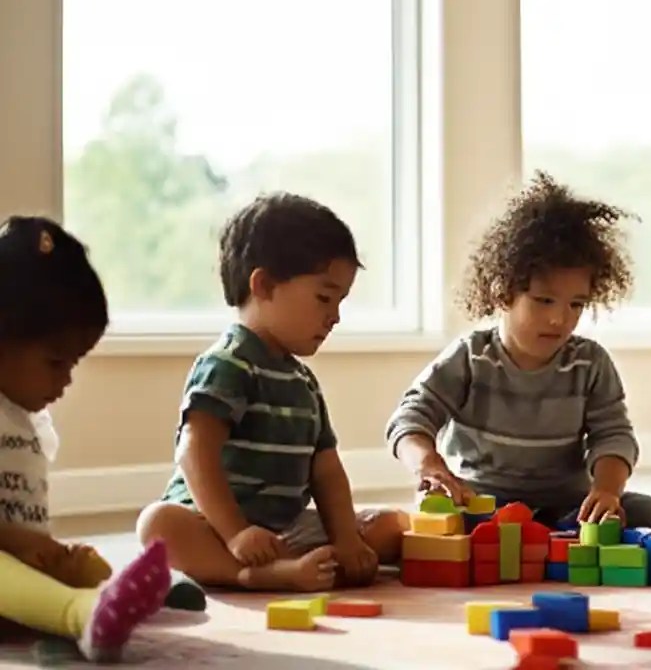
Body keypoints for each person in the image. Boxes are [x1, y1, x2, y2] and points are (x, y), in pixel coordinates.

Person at [137, 194, 409, 591]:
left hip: (284, 530)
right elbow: (195, 452)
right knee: (158, 525)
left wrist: (348, 539)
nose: (334, 316)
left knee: (389, 527)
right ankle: (250, 575)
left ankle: (300, 564)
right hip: (214, 525)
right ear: (263, 285)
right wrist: (236, 533)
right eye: (324, 297)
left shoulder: (303, 382)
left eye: (340, 301)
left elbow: (326, 471)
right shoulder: (228, 363)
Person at [386, 171, 651, 529]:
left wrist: (607, 491)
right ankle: (527, 537)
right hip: (481, 504)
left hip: (566, 506)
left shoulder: (590, 363)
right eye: (544, 301)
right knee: (438, 521)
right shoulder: (471, 358)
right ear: (503, 291)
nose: (559, 319)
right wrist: (429, 465)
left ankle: (547, 536)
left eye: (576, 304)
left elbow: (613, 435)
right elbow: (411, 417)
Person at [0, 216, 170, 662]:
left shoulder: (20, 418)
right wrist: (17, 543)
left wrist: (49, 553)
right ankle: (80, 613)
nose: (67, 380)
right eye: (56, 363)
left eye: (73, 364)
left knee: (89, 565)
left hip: (18, 567)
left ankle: (117, 595)